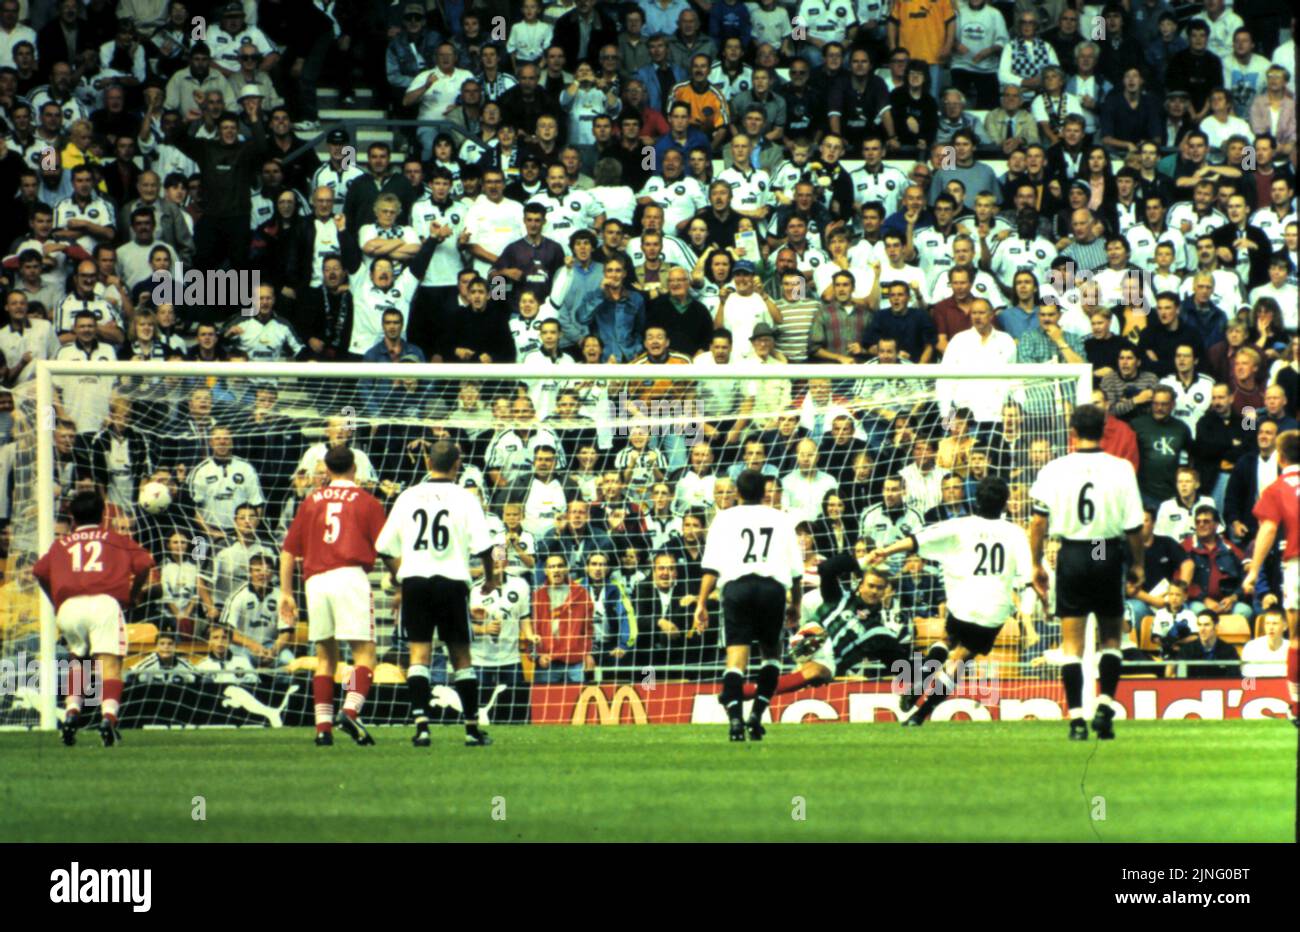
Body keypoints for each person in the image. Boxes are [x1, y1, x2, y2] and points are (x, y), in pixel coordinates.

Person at [868, 477, 1034, 725]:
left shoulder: (961, 525)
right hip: (995, 610)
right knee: (961, 659)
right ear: (1005, 504)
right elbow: (1027, 578)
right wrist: (1028, 620)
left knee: (947, 639)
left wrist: (886, 551)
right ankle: (920, 716)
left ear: (975, 500)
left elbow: (917, 540)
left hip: (964, 604)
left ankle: (920, 680)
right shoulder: (1016, 533)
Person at [1029, 404, 1145, 740]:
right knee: (1111, 638)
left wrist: (1036, 564)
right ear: (1104, 430)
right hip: (1104, 549)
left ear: (1073, 432)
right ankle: (1105, 705)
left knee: (1072, 645)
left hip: (1074, 552)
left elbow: (1038, 520)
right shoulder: (1121, 468)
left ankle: (1078, 719)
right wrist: (1137, 564)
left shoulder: (1055, 467)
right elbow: (1135, 525)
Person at [377, 440, 497, 747]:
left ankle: (422, 727)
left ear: (428, 462)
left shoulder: (408, 496)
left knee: (419, 654)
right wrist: (490, 578)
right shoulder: (465, 498)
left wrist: (400, 575)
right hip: (452, 581)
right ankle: (471, 730)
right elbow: (484, 547)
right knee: (461, 655)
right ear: (457, 465)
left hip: (416, 581)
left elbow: (382, 547)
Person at [279, 446, 388, 747]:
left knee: (325, 657)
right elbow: (387, 548)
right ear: (354, 468)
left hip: (315, 582)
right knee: (363, 656)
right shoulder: (367, 501)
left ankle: (322, 729)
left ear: (325, 470)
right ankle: (350, 710)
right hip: (349, 576)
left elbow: (288, 551)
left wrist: (286, 593)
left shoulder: (311, 500)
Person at [32, 490, 155, 746]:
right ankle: (108, 718)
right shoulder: (115, 539)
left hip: (69, 608)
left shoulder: (61, 544)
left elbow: (39, 571)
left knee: (79, 662)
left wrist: (57, 602)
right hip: (104, 603)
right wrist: (133, 594)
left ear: (73, 517)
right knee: (109, 666)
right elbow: (145, 563)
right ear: (103, 514)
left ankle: (70, 715)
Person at [693, 468, 803, 741]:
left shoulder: (724, 518)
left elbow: (711, 567)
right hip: (771, 589)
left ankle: (734, 722)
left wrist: (701, 603)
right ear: (765, 492)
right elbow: (796, 571)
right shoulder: (780, 518)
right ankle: (757, 714)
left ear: (738, 493)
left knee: (735, 660)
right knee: (771, 656)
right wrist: (796, 605)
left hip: (737, 589)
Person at [1241, 429, 1299, 721]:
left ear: (1281, 457)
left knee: (1297, 639)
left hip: (1297, 565)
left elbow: (1268, 529)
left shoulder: (1276, 489)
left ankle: (1297, 707)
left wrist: (1252, 572)